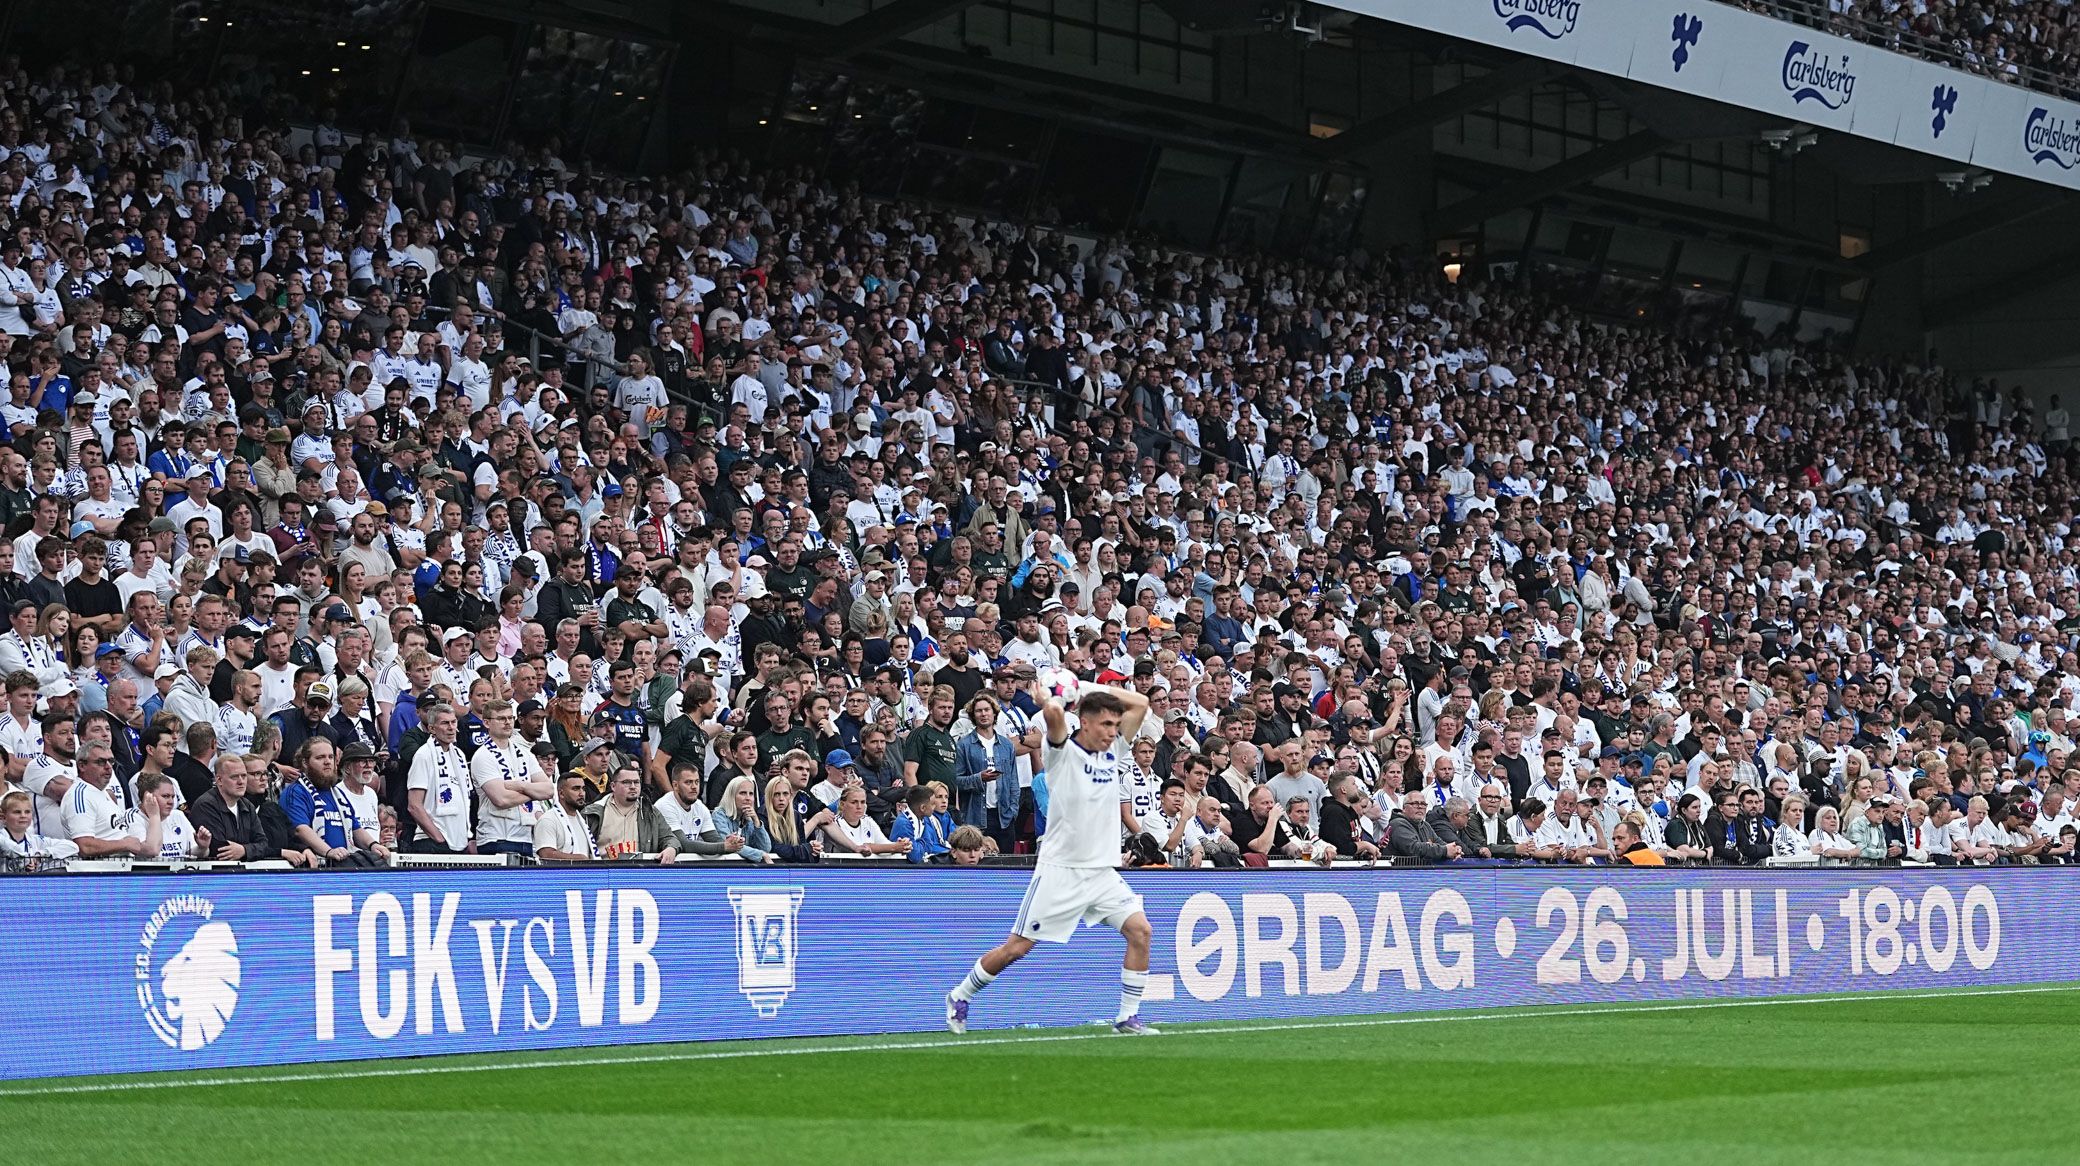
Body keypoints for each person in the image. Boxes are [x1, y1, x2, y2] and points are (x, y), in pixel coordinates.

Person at [946, 682, 1159, 1036]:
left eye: (1114, 725)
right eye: (1105, 724)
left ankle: (1127, 1016)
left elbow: (1140, 703)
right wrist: (1056, 695)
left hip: (1100, 872)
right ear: (1085, 723)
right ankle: (960, 995)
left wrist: (1083, 685)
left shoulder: (1115, 752)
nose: (1112, 731)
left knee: (1141, 931)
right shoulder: (1063, 752)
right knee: (1017, 949)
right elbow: (1055, 716)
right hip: (1060, 871)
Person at [532, 773, 598, 861]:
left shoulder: (582, 820)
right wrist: (579, 859)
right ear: (561, 793)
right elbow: (546, 854)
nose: (581, 794)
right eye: (576, 789)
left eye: (583, 789)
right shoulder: (548, 820)